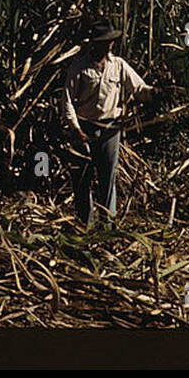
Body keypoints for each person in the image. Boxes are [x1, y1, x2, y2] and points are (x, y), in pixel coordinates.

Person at [62, 18, 156, 226]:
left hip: (111, 129)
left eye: (111, 41)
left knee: (107, 179)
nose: (109, 44)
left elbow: (140, 89)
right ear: (95, 43)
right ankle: (84, 224)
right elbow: (67, 102)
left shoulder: (119, 66)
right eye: (105, 41)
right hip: (84, 130)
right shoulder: (79, 67)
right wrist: (76, 130)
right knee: (82, 179)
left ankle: (108, 226)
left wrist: (156, 93)